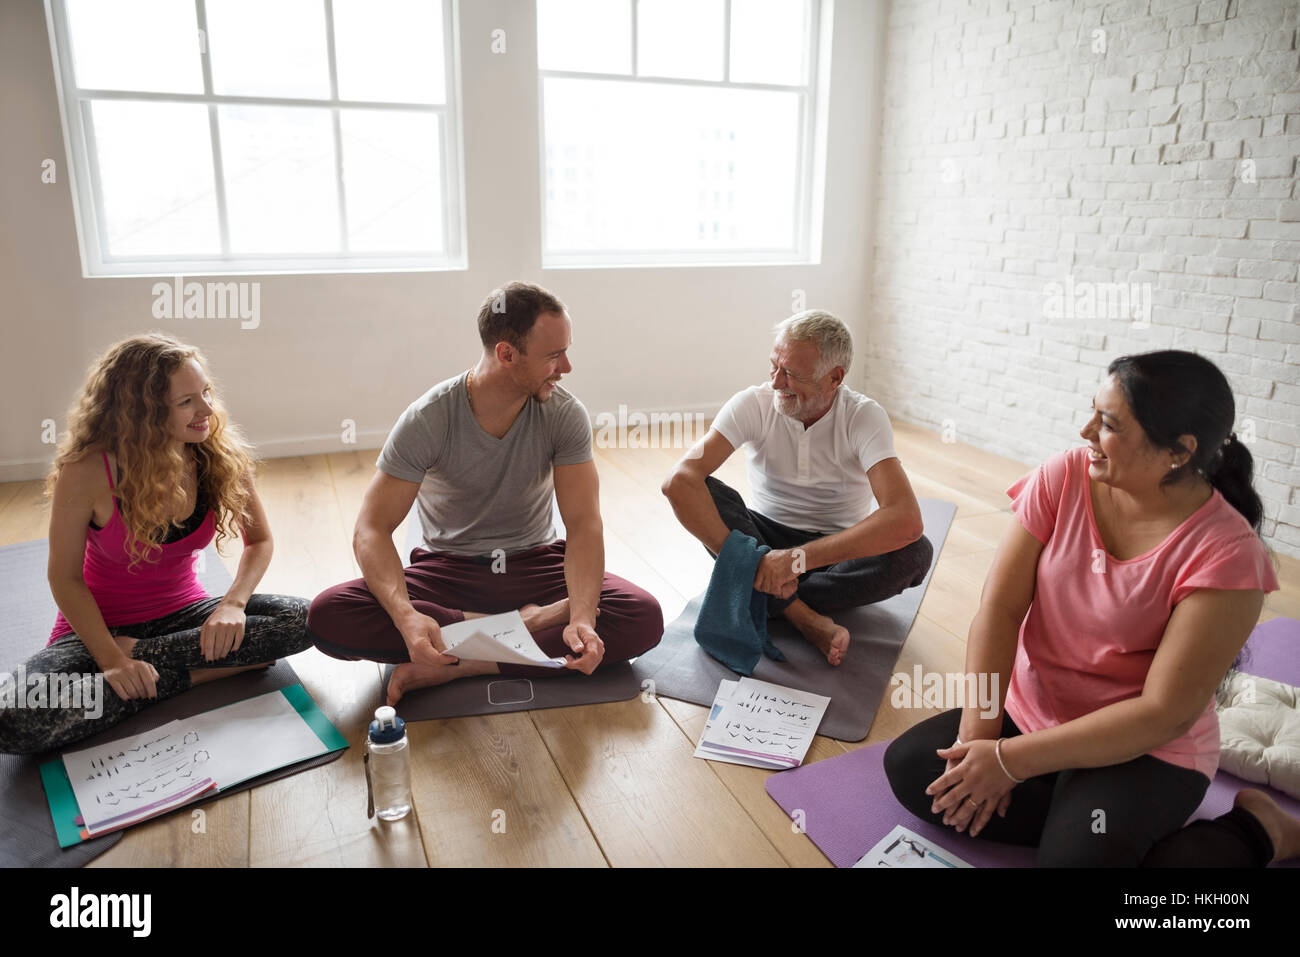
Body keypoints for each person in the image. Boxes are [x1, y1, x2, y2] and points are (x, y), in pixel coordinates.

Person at [883, 349, 1300, 867]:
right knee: (912, 768)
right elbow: (1000, 609)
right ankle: (1078, 816)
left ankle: (1257, 830)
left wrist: (1010, 764)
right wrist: (979, 741)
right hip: (1033, 716)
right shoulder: (1062, 477)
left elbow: (1160, 714)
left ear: (1178, 450)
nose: (1084, 431)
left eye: (1107, 424)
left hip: (1141, 748)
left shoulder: (1228, 555)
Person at [306, 281, 663, 704]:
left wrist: (581, 616)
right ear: (507, 354)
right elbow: (371, 528)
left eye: (566, 352)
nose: (566, 367)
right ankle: (524, 628)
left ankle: (465, 663)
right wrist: (406, 617)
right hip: (447, 573)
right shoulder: (429, 418)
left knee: (641, 614)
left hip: (537, 566)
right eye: (553, 356)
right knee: (328, 614)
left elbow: (584, 524)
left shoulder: (564, 414)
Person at [0, 334, 311, 755]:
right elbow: (64, 577)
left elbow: (260, 539)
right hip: (95, 631)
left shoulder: (219, 455)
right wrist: (112, 660)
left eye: (206, 393)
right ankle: (198, 673)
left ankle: (147, 667)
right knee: (16, 714)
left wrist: (233, 604)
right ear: (140, 411)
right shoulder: (88, 471)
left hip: (186, 619)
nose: (206, 410)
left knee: (305, 618)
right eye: (186, 402)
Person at [661, 310, 933, 666]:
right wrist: (771, 562)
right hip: (760, 540)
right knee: (704, 492)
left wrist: (794, 561)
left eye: (791, 374)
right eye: (774, 366)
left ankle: (753, 587)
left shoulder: (864, 417)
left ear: (835, 378)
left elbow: (905, 519)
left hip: (834, 555)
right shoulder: (752, 403)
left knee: (914, 552)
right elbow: (677, 482)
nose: (776, 382)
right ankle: (800, 615)